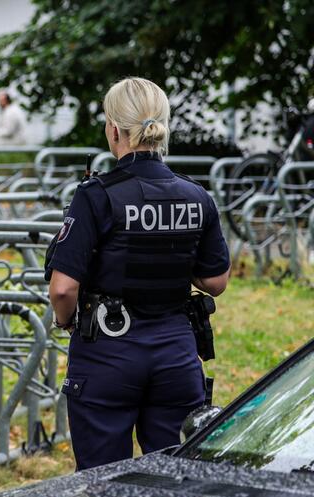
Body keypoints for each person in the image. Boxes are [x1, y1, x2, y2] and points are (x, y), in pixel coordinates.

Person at [46, 77, 230, 471]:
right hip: (177, 354)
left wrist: (65, 323)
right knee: (174, 481)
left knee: (102, 485)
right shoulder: (197, 196)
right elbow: (216, 281)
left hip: (107, 353)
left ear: (114, 129)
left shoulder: (95, 195)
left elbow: (63, 289)